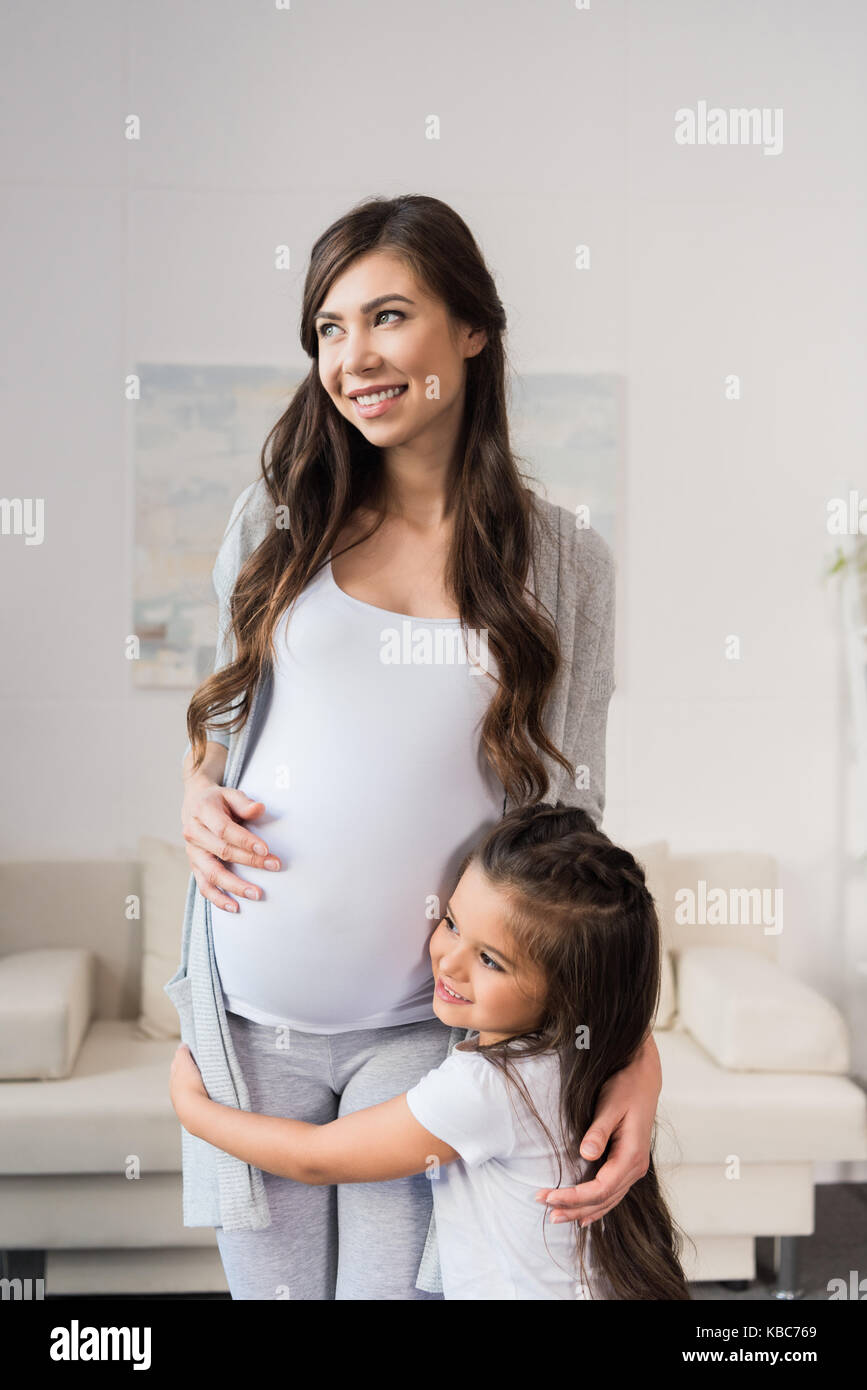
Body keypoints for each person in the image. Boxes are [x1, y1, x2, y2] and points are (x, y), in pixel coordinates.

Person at [172, 192, 663, 1300]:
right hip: (247, 1019)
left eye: (387, 316)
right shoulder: (274, 523)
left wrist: (629, 1045)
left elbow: (575, 836)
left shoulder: (563, 564)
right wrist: (195, 794)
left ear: (473, 327)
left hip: (425, 1027)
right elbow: (217, 729)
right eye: (329, 329)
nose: (353, 358)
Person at [171, 802, 689, 1300]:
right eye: (453, 924)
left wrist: (195, 1113)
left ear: (568, 992)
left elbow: (316, 1159)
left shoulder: (488, 1087)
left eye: (490, 960)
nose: (449, 962)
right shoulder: (579, 1060)